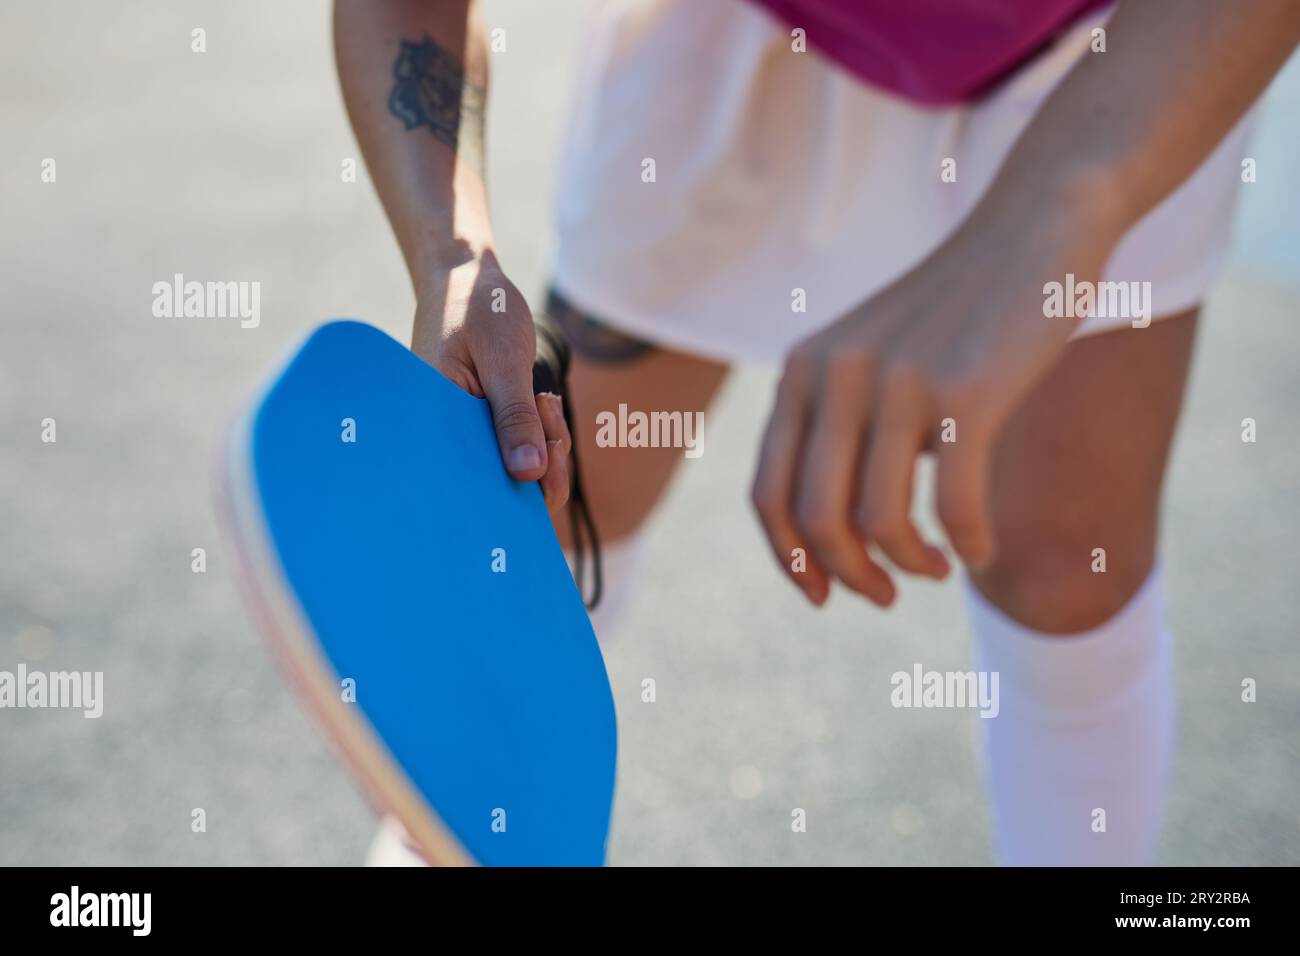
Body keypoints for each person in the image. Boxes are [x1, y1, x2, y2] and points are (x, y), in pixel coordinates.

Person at [335, 0, 1300, 865]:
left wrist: (1045, 228)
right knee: (561, 497)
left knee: (1064, 559)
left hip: (1116, 48)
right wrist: (452, 254)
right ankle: (447, 843)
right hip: (746, 27)